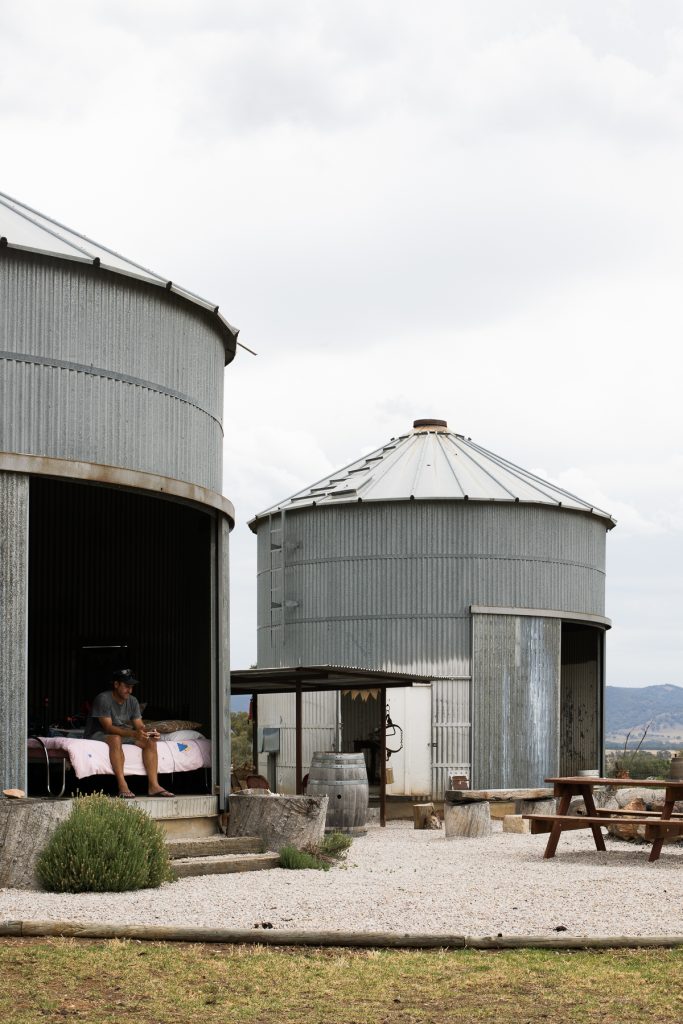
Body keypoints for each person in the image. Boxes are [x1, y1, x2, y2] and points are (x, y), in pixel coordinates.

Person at [84, 668, 173, 798]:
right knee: (115, 738)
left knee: (150, 741)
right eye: (126, 686)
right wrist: (132, 734)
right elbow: (108, 728)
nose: (130, 690)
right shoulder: (103, 699)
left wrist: (151, 733)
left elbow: (139, 726)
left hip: (122, 734)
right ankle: (122, 785)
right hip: (97, 734)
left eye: (131, 687)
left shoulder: (133, 701)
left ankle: (154, 786)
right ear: (116, 685)